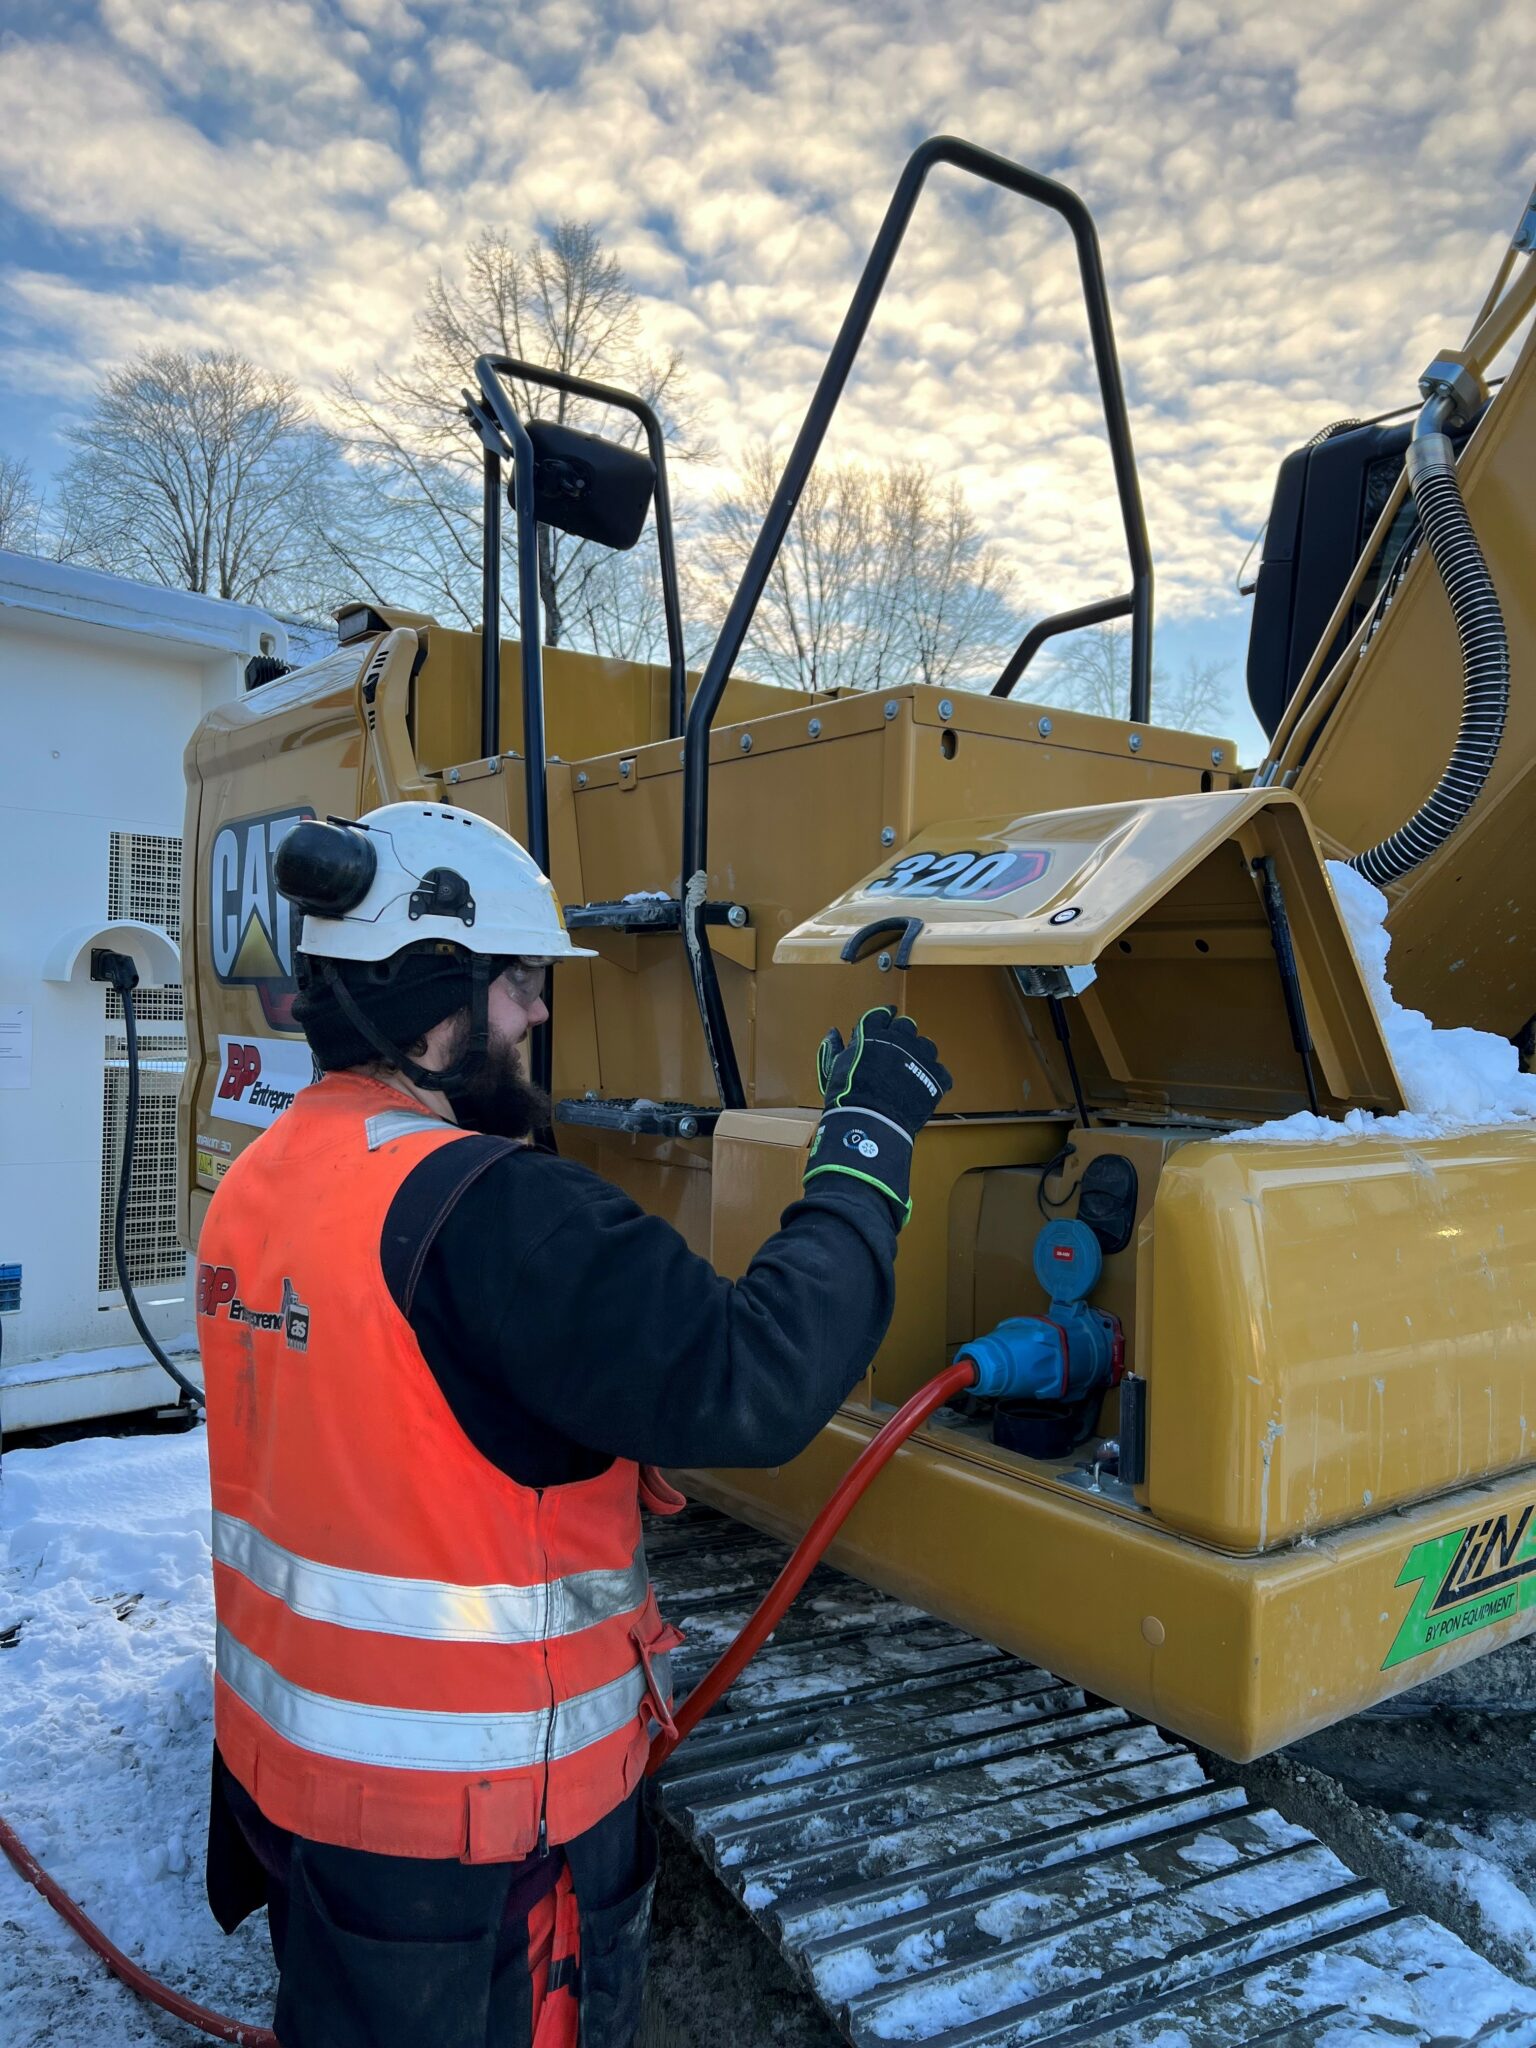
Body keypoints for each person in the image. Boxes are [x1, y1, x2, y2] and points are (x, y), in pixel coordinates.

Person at [198, 801, 951, 2048]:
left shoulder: (266, 1178)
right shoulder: (488, 1209)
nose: (539, 1014)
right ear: (432, 992)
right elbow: (756, 1373)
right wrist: (863, 1153)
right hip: (480, 1841)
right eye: (517, 984)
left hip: (301, 1797)